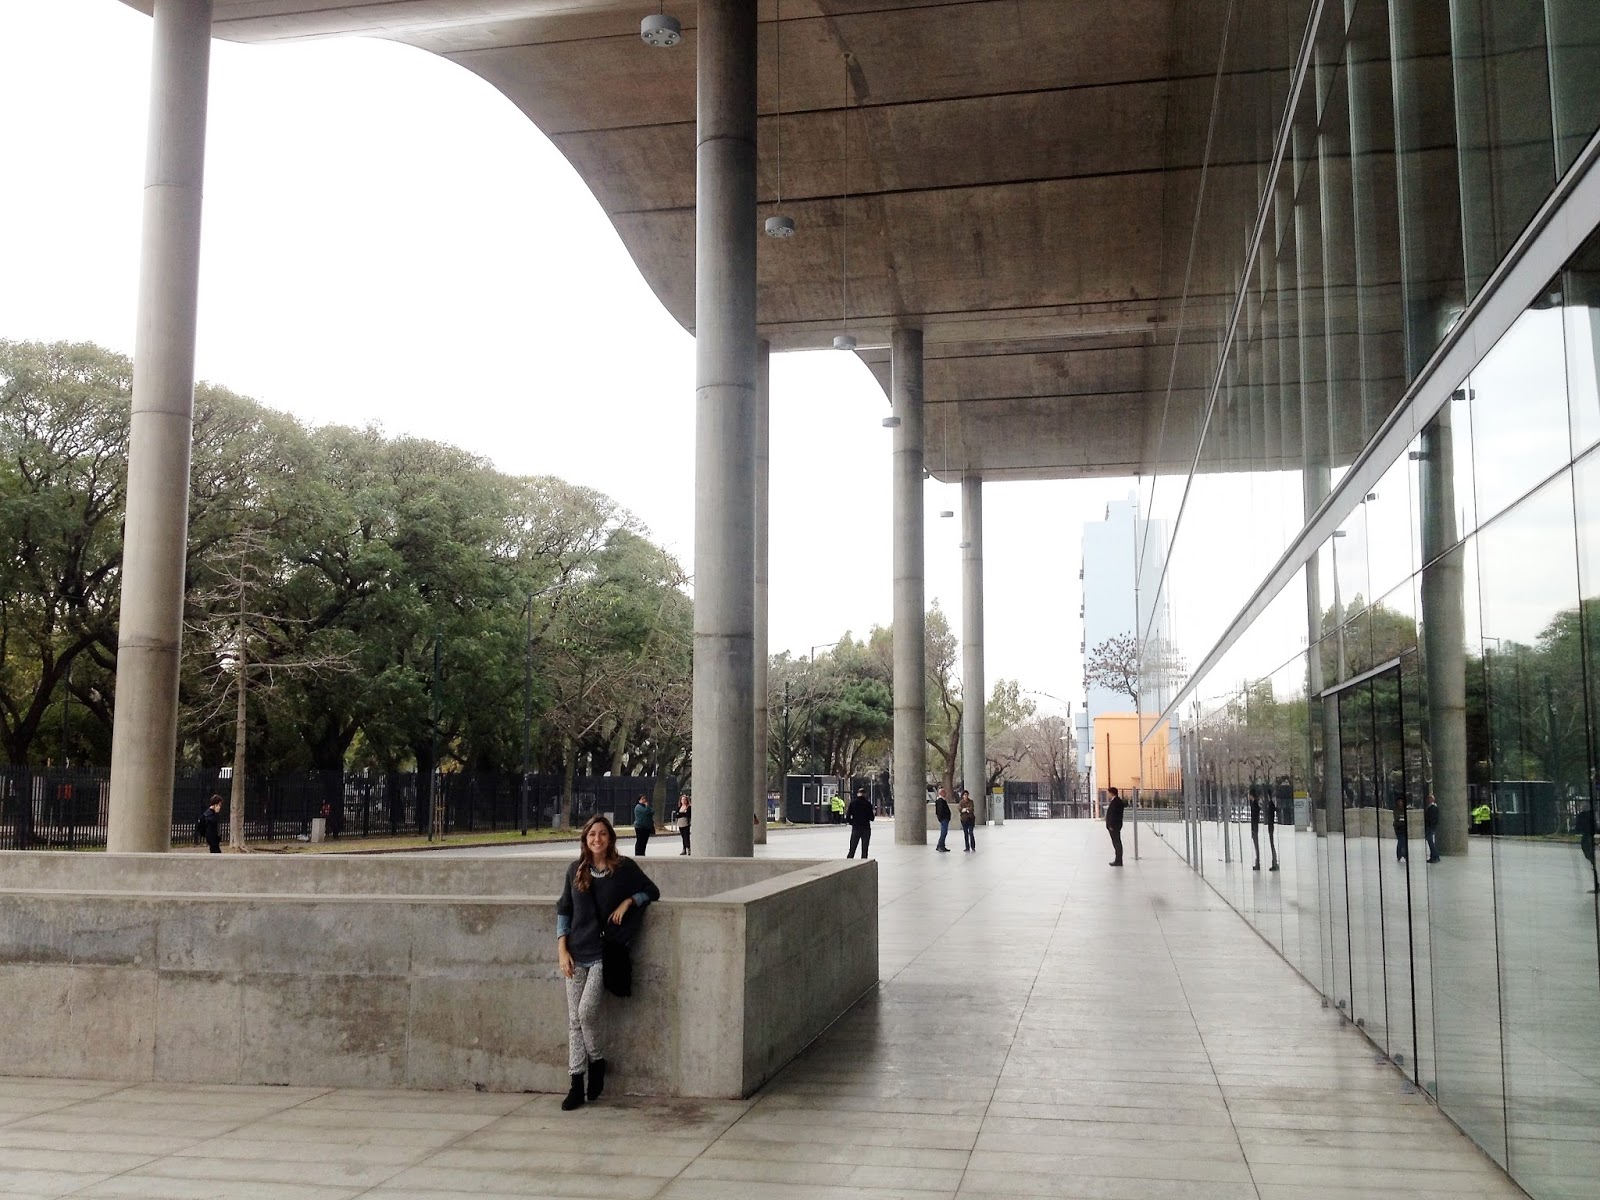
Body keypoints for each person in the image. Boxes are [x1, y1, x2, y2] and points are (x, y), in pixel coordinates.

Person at [555, 815, 659, 1111]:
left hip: (605, 952)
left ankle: (597, 1060)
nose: (597, 839)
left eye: (602, 834)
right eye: (591, 835)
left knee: (585, 1013)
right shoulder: (575, 870)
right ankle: (577, 1081)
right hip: (576, 952)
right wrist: (562, 950)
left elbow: (652, 891)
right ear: (585, 840)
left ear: (611, 838)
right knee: (574, 1021)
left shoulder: (624, 869)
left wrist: (628, 902)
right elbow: (563, 909)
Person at [846, 787, 875, 859]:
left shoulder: (853, 803)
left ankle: (848, 862)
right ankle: (863, 862)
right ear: (865, 794)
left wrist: (852, 823)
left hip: (856, 828)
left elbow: (848, 817)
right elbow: (872, 818)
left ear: (858, 794)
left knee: (852, 848)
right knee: (865, 849)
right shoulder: (868, 804)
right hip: (866, 828)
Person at [1105, 786, 1125, 866]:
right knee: (1116, 843)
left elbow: (1114, 815)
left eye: (1108, 793)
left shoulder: (1116, 802)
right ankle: (1118, 859)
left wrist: (1111, 825)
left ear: (1111, 793)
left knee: (1117, 843)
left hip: (1114, 826)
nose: (1107, 795)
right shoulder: (1116, 801)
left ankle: (1118, 860)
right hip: (1114, 826)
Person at [1263, 786, 1279, 871]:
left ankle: (1274, 862)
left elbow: (1270, 815)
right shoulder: (1271, 804)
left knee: (1272, 844)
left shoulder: (1271, 804)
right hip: (1270, 825)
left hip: (1271, 825)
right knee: (1272, 844)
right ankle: (1274, 862)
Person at [1423, 793, 1441, 862]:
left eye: (1429, 799)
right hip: (1430, 827)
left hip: (1430, 827)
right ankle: (1433, 856)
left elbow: (1433, 819)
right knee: (1430, 842)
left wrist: (1430, 826)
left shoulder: (1433, 808)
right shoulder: (1431, 807)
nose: (1427, 800)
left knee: (1431, 842)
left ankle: (1435, 856)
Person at [934, 786, 952, 852]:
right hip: (944, 819)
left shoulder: (942, 800)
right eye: (944, 792)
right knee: (943, 833)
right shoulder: (940, 801)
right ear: (941, 793)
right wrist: (943, 817)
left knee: (944, 832)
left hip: (945, 819)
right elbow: (939, 811)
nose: (946, 793)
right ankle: (940, 845)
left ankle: (942, 845)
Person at [1249, 784, 1262, 871]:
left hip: (1255, 826)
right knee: (1256, 844)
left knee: (1256, 845)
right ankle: (1257, 862)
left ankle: (1258, 863)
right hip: (1254, 826)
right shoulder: (1254, 804)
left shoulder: (1255, 805)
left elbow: (1254, 817)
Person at [1393, 791, 1409, 862]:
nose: (1400, 803)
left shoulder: (1404, 810)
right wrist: (1402, 818)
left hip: (1403, 827)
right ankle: (1401, 854)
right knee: (1401, 840)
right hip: (1398, 828)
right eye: (1399, 802)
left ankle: (1401, 854)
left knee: (1402, 841)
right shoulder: (1396, 810)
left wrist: (1401, 818)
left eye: (1401, 802)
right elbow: (1397, 818)